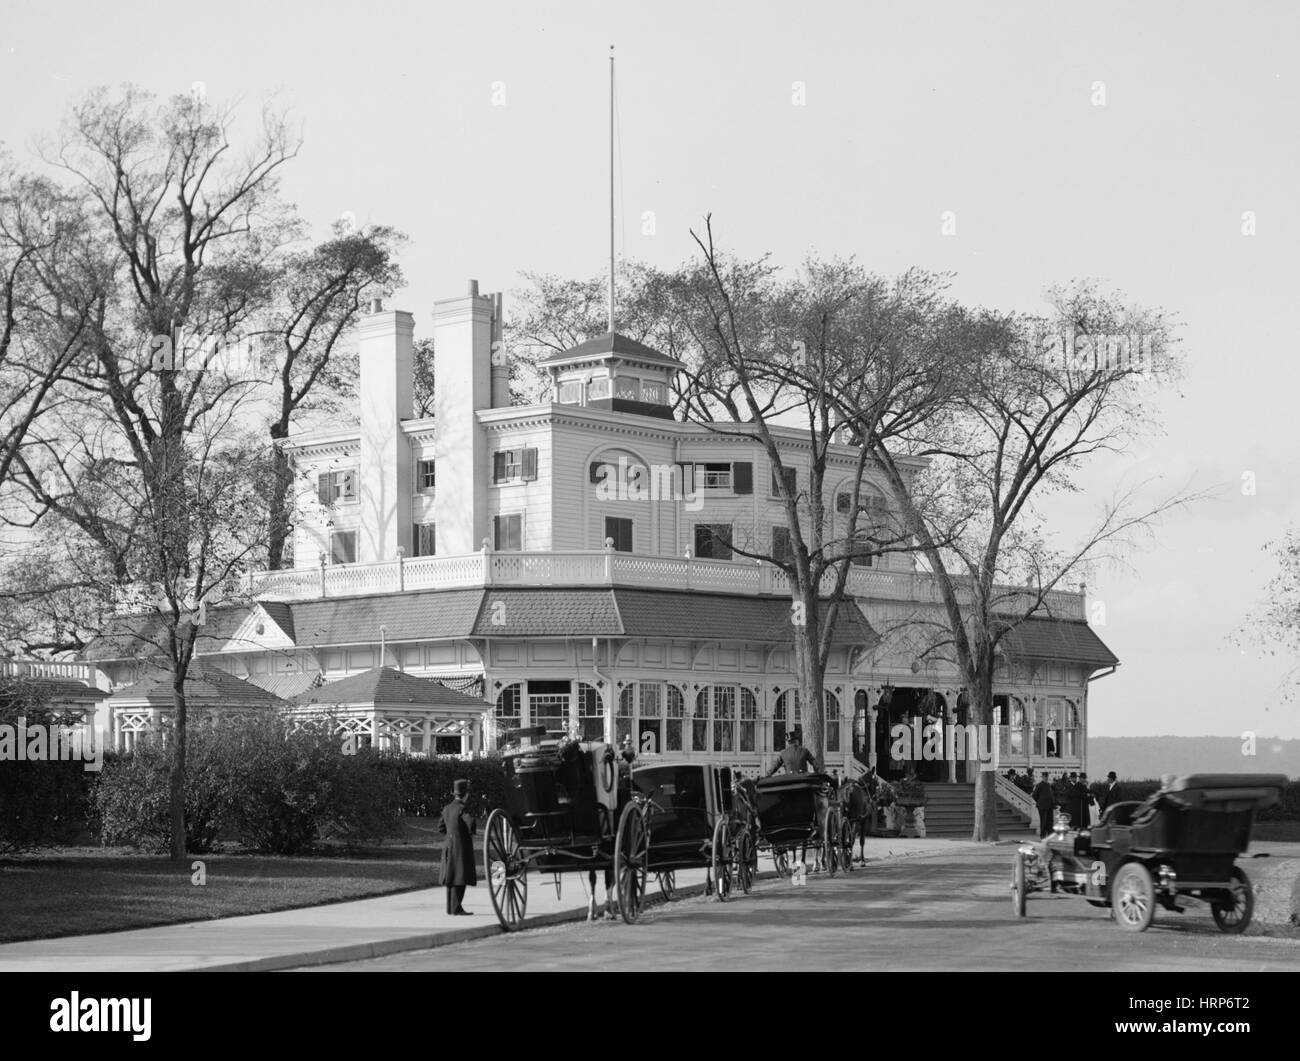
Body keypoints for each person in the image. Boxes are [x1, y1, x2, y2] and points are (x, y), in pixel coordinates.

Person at [438, 778, 477, 915]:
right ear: (466, 794)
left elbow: (441, 827)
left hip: (448, 846)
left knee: (451, 877)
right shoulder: (462, 808)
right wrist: (471, 831)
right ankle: (456, 908)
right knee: (460, 877)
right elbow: (470, 822)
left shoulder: (447, 808)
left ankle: (451, 908)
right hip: (460, 848)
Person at [1032, 771, 1056, 839]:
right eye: (1044, 776)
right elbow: (1034, 795)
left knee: (1050, 822)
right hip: (1042, 806)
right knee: (1044, 822)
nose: (1046, 778)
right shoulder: (1039, 785)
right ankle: (1043, 837)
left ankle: (1050, 836)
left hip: (1050, 806)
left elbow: (1051, 795)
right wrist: (1040, 801)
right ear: (1042, 777)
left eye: (1047, 776)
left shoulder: (1049, 785)